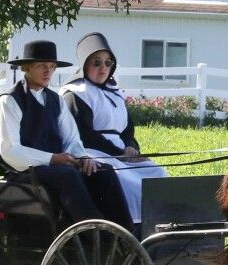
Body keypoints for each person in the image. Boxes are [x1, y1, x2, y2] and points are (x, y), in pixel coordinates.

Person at [0, 39, 133, 233]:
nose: (48, 72)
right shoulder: (9, 102)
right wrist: (53, 159)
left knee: (103, 171)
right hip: (23, 172)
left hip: (55, 166)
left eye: (51, 67)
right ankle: (94, 234)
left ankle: (125, 234)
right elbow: (11, 151)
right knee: (67, 175)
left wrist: (82, 157)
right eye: (41, 66)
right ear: (26, 68)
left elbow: (71, 139)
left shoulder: (55, 100)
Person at [60, 32, 167, 229]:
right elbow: (85, 136)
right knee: (130, 184)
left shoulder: (115, 94)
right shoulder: (75, 93)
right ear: (85, 64)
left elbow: (127, 130)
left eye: (108, 63)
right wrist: (119, 153)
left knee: (157, 173)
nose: (103, 68)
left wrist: (130, 147)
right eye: (97, 62)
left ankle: (163, 224)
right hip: (92, 153)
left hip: (121, 154)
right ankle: (134, 229)